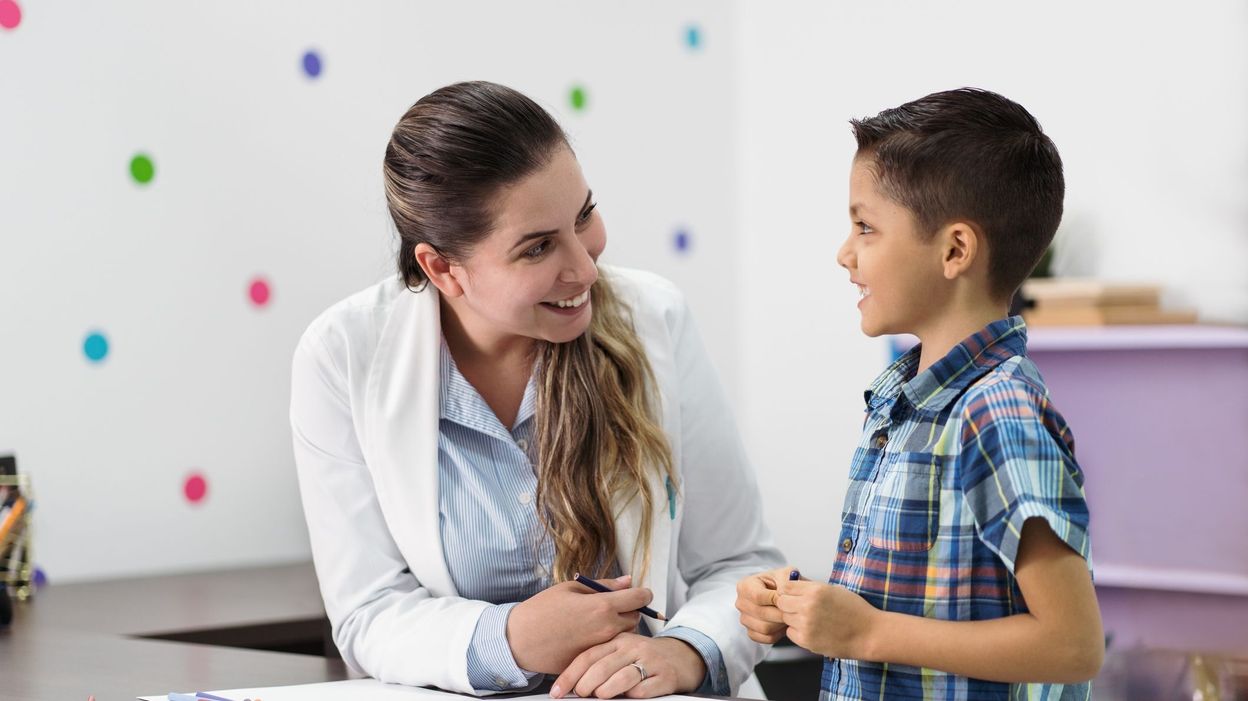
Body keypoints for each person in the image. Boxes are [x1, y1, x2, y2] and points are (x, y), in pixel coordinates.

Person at [291, 81, 782, 699]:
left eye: (583, 216)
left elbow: (740, 567)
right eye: (539, 247)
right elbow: (367, 610)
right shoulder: (341, 355)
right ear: (441, 269)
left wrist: (685, 653)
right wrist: (513, 638)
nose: (585, 267)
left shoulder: (655, 318)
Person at [735, 88, 1104, 699]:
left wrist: (868, 633)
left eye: (865, 227)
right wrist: (803, 607)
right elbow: (917, 599)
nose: (844, 252)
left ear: (955, 250)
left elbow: (1072, 644)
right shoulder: (906, 403)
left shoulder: (997, 413)